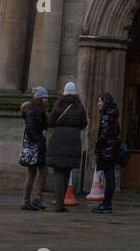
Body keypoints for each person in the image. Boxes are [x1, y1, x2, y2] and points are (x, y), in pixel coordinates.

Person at [46, 81, 88, 214]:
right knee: (67, 171)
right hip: (73, 141)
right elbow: (83, 124)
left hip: (58, 140)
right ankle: (61, 203)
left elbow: (50, 122)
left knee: (58, 172)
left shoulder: (58, 106)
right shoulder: (80, 108)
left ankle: (59, 204)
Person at [19, 86, 48, 210]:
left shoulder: (39, 111)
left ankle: (37, 198)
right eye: (45, 97)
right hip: (33, 146)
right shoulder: (31, 112)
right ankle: (26, 201)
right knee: (32, 174)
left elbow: (44, 125)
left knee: (43, 171)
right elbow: (30, 129)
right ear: (40, 98)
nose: (47, 100)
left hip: (38, 145)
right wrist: (38, 140)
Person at [94, 92, 121, 214]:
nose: (99, 103)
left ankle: (106, 204)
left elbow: (104, 135)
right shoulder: (114, 116)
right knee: (110, 177)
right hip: (112, 149)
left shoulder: (106, 117)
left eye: (100, 101)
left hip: (106, 150)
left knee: (109, 177)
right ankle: (107, 203)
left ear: (105, 102)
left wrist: (97, 145)